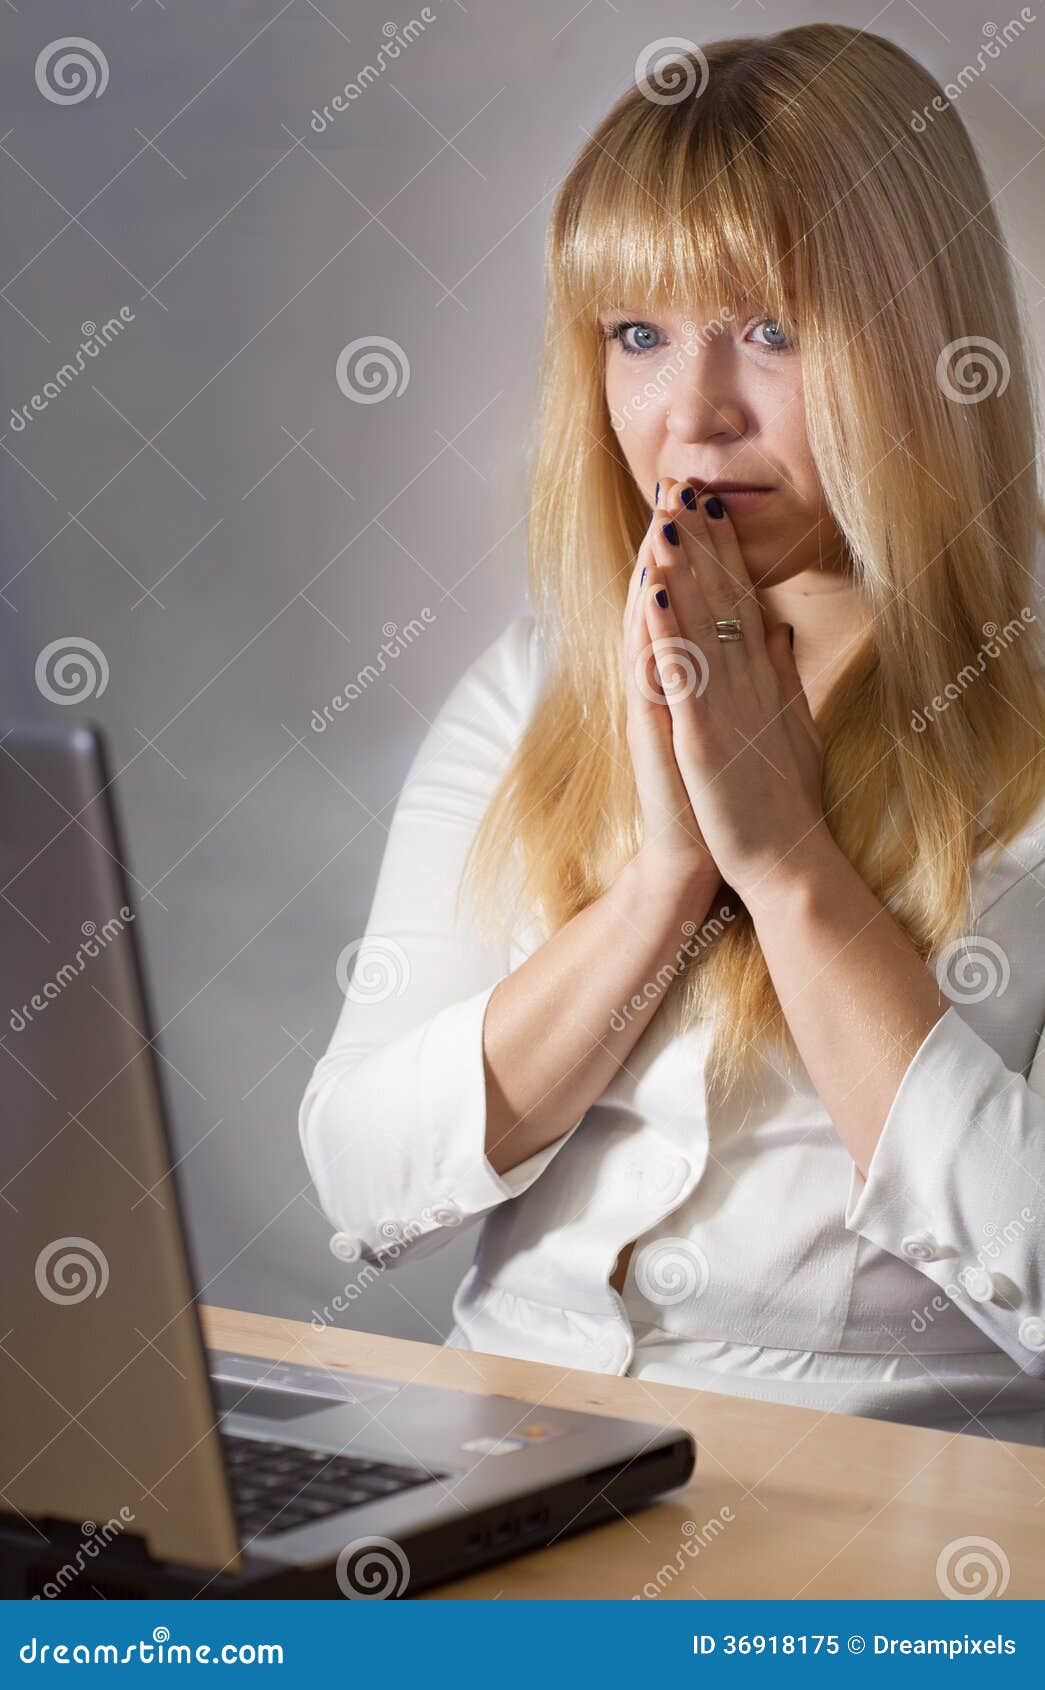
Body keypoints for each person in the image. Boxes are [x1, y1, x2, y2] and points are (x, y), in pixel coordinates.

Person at [299, 23, 1045, 1445]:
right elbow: (359, 1168)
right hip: (496, 1459)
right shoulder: (533, 681)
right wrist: (662, 880)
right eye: (636, 334)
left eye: (769, 330)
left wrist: (784, 864)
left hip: (874, 1506)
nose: (689, 415)